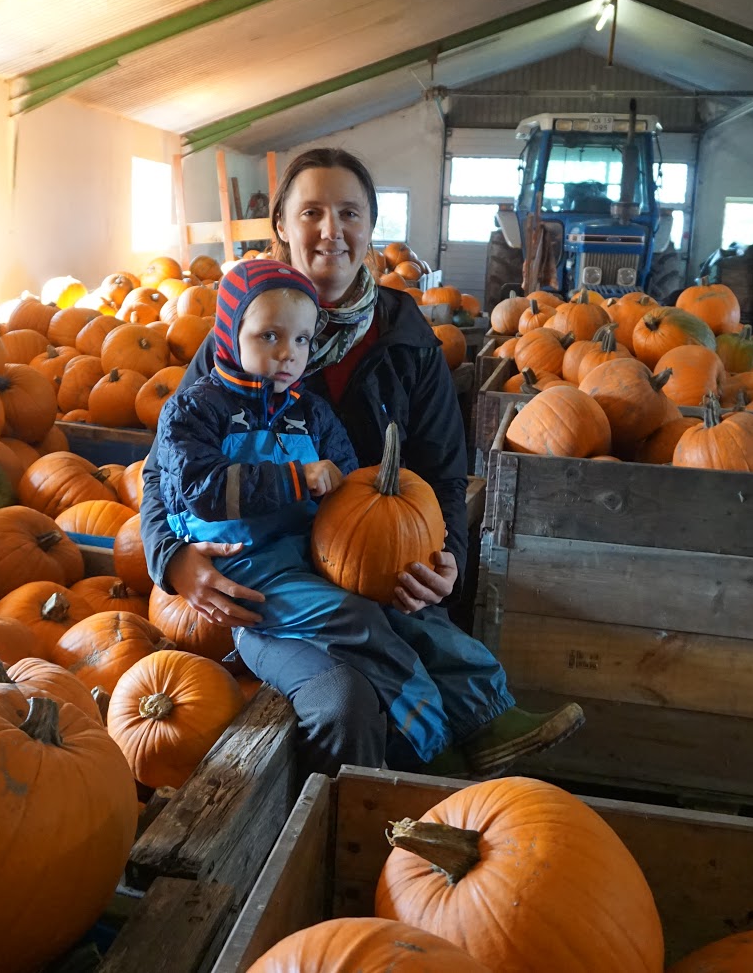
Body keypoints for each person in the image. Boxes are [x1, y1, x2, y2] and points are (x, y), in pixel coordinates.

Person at [141, 146, 583, 778]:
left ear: (371, 228)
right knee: (346, 702)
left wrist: (445, 558)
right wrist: (171, 558)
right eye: (311, 212)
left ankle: (464, 754)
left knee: (423, 630)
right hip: (265, 581)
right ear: (283, 229)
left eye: (349, 212)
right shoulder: (233, 344)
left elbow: (442, 474)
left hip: (380, 562)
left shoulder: (409, 342)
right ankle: (360, 837)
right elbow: (167, 468)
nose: (331, 230)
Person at [150, 258, 455, 768]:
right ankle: (432, 740)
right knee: (357, 625)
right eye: (269, 336)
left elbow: (351, 488)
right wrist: (170, 556)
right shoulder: (196, 407)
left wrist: (397, 543)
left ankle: (479, 715)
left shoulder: (309, 409)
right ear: (231, 332)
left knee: (416, 625)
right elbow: (195, 487)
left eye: (302, 341)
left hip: (309, 565)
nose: (288, 354)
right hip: (247, 577)